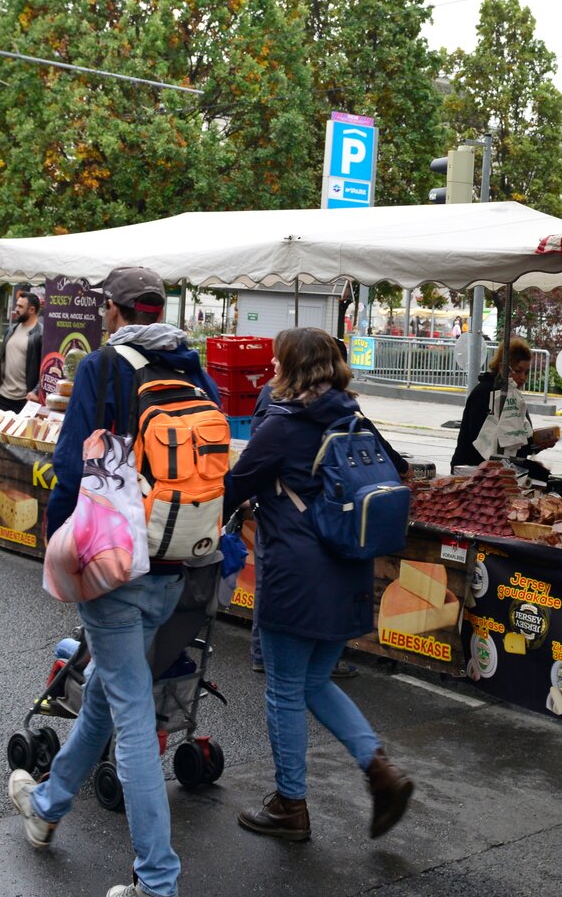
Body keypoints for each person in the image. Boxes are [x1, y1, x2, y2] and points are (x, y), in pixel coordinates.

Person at [7, 265, 217, 897]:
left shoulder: (103, 365)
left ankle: (158, 881)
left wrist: (58, 539)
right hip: (180, 558)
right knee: (108, 685)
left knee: (130, 716)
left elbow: (73, 462)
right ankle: (47, 807)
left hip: (115, 560)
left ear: (117, 311)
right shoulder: (190, 363)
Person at [223, 328, 414, 844]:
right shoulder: (353, 417)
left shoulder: (283, 425)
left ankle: (290, 804)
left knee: (285, 688)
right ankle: (380, 770)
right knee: (314, 681)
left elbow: (237, 484)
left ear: (289, 367)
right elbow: (397, 471)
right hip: (349, 566)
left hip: (296, 572)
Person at [450, 338, 558, 475]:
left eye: (526, 372)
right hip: (472, 471)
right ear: (503, 367)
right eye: (518, 371)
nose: (523, 377)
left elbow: (520, 440)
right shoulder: (484, 393)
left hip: (504, 470)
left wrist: (538, 443)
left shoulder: (515, 396)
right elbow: (484, 442)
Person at [0, 289, 44, 413]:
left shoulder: (41, 335)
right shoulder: (10, 330)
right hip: (0, 395)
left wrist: (35, 391)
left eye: (20, 306)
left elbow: (45, 370)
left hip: (24, 399)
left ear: (31, 310)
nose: (16, 309)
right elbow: (1, 361)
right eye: (17, 305)